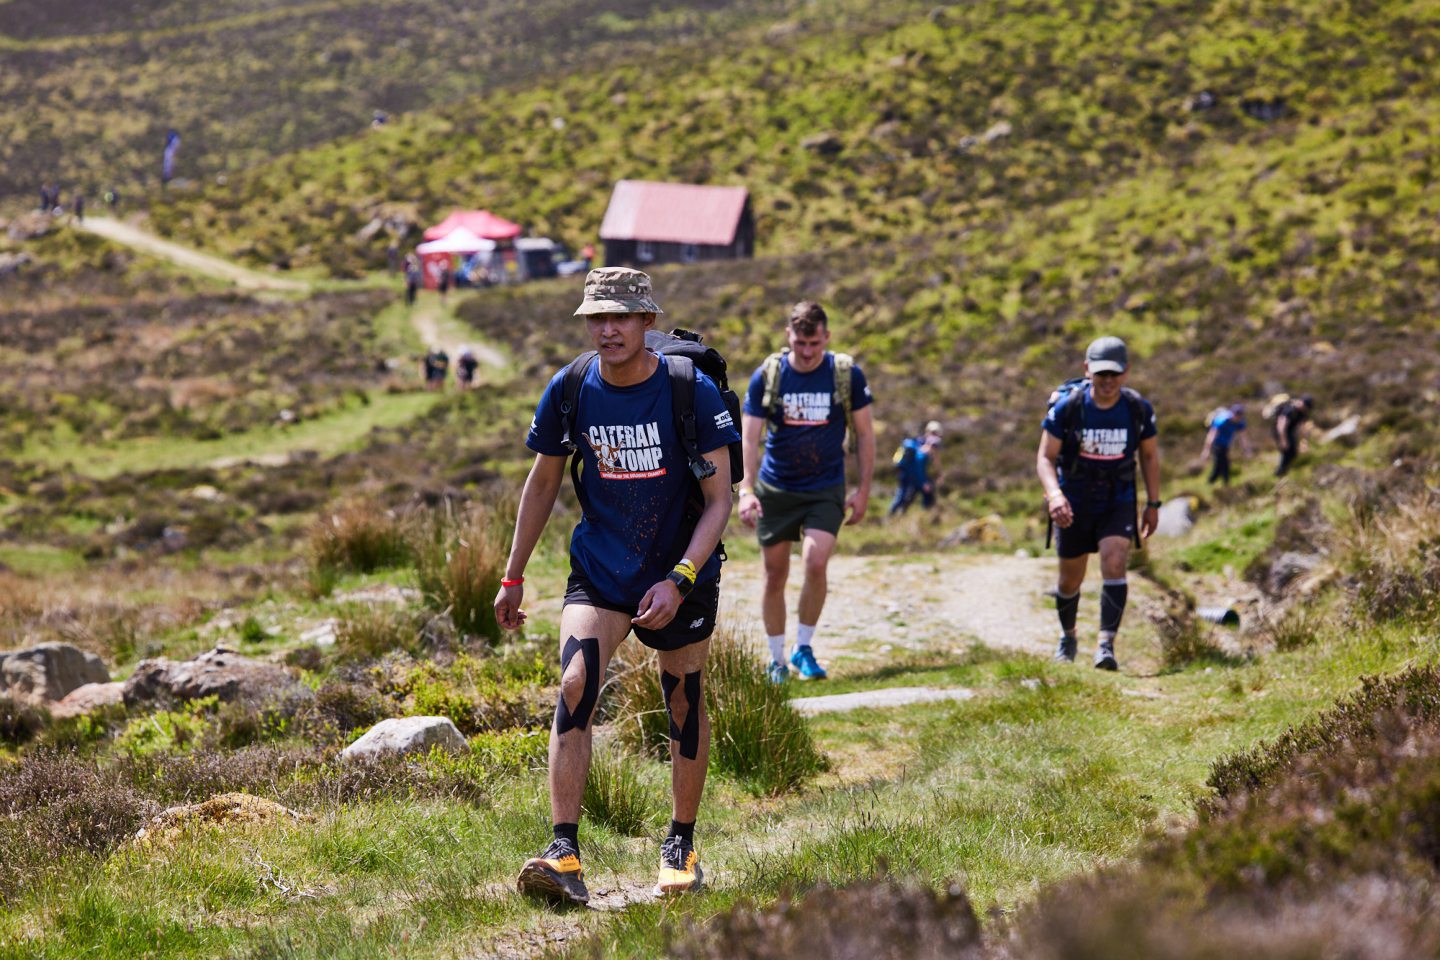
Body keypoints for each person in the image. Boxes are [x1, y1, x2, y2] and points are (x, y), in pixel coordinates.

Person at [496, 267, 737, 906]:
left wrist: (680, 579)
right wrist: (513, 574)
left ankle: (680, 845)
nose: (608, 328)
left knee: (682, 700)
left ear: (647, 322)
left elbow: (720, 500)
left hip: (682, 570)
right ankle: (564, 851)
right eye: (597, 317)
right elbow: (543, 483)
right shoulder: (571, 387)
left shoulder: (694, 392)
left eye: (622, 317)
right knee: (575, 683)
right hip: (602, 568)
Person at [739, 301, 875, 683]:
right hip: (776, 487)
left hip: (825, 487)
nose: (808, 352)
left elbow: (865, 435)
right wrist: (746, 489)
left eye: (814, 343)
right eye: (801, 343)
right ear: (789, 337)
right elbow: (749, 437)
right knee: (774, 574)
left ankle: (805, 646)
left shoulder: (846, 374)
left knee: (815, 562)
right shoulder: (768, 375)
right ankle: (777, 659)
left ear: (826, 338)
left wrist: (863, 490)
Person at [1036, 336, 1161, 671]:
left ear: (1126, 372)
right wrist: (1055, 496)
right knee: (1069, 581)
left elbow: (1148, 456)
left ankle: (1106, 646)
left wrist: (1153, 503)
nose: (1107, 382)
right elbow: (1045, 458)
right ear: (1086, 369)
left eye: (1114, 374)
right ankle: (1069, 636)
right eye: (1101, 374)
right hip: (1073, 502)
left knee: (1115, 561)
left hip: (1117, 498)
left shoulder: (1137, 409)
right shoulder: (1069, 408)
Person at [889, 420, 942, 515]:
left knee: (906, 498)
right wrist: (923, 483)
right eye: (933, 432)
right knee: (903, 498)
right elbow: (919, 466)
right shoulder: (921, 447)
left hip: (911, 477)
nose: (935, 435)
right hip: (910, 477)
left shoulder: (924, 444)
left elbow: (932, 465)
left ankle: (897, 517)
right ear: (927, 431)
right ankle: (891, 517)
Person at [1201, 403, 1251, 485]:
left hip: (1226, 445)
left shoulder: (1240, 423)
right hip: (1217, 445)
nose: (1238, 417)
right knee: (1222, 464)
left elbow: (1243, 438)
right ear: (1233, 413)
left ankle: (1213, 483)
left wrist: (1247, 450)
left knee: (1221, 465)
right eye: (1237, 415)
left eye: (1240, 415)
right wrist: (1206, 451)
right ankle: (1224, 484)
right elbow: (1211, 435)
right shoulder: (1222, 421)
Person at [1273, 394, 1313, 477]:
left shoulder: (1302, 413)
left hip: (1289, 431)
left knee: (1293, 452)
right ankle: (1279, 473)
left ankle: (1285, 471)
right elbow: (1281, 426)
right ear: (1302, 403)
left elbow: (1303, 428)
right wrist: (1283, 440)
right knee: (1286, 451)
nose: (1306, 409)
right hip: (1280, 431)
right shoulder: (1290, 409)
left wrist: (1304, 442)